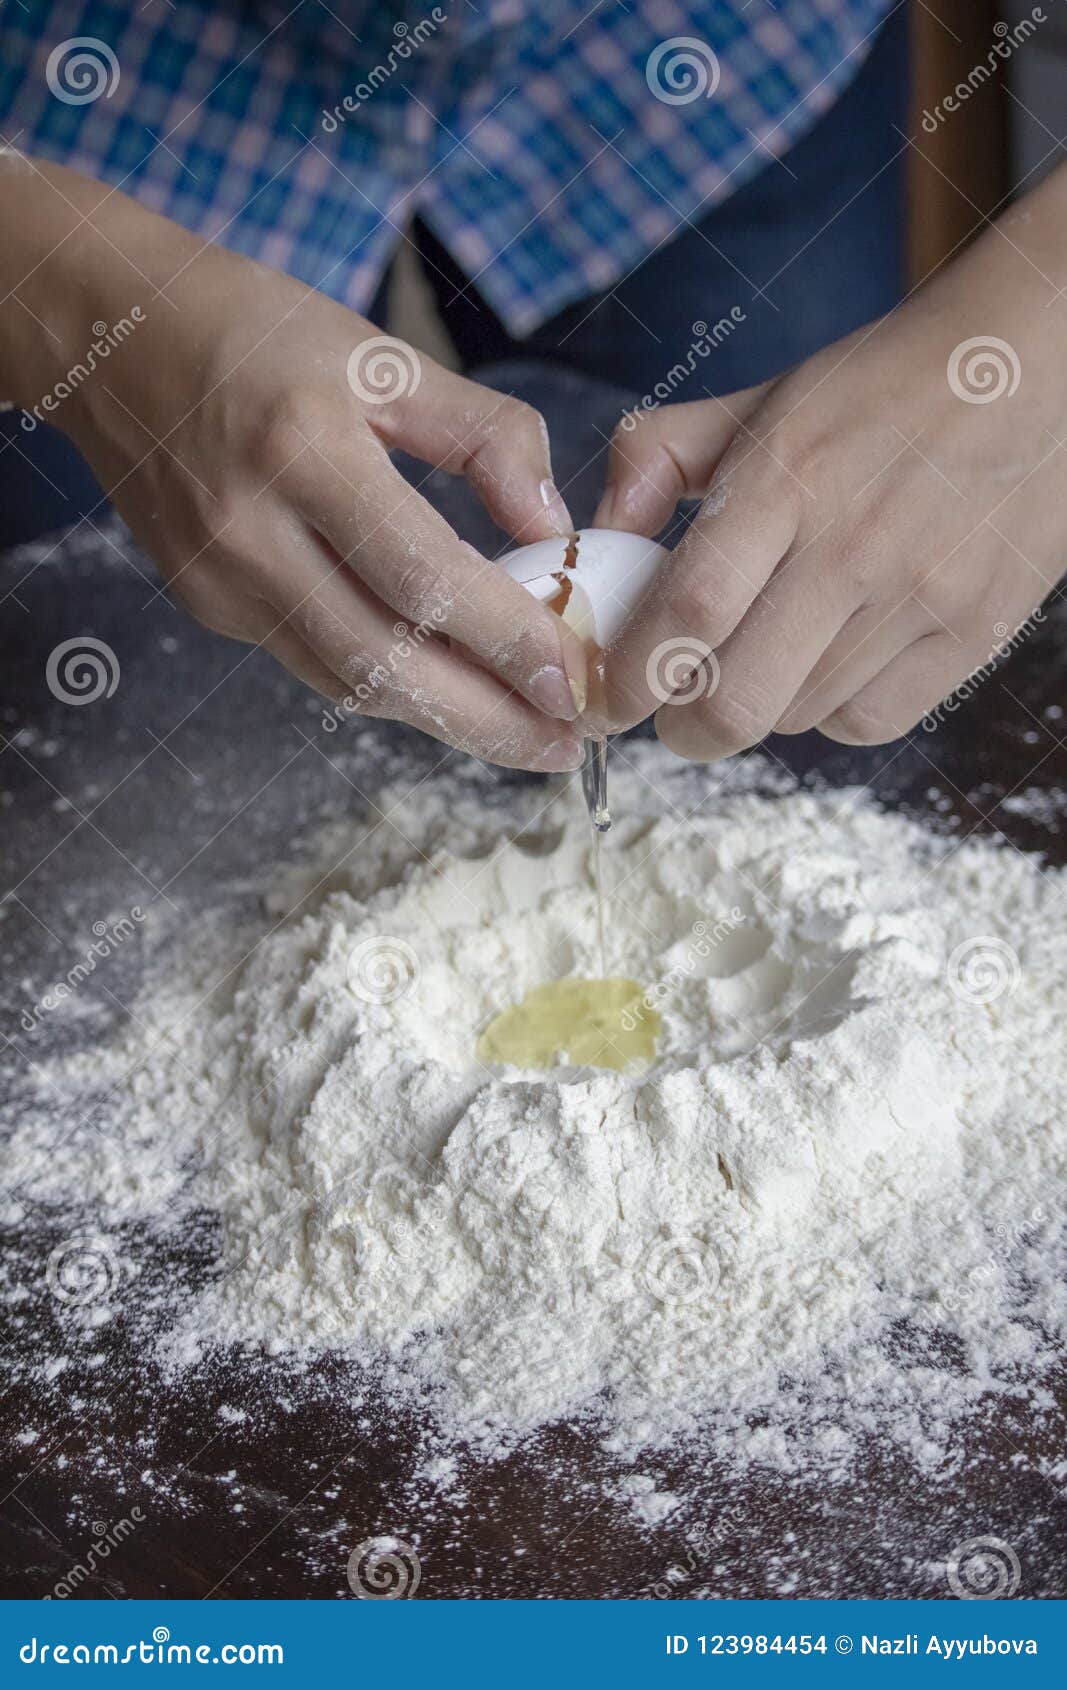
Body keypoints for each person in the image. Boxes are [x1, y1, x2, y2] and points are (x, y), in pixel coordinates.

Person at [1, 3, 1057, 770]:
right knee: (112, 714)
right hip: (100, 108)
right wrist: (75, 309)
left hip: (695, 61)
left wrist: (1037, 340)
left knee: (792, 655)